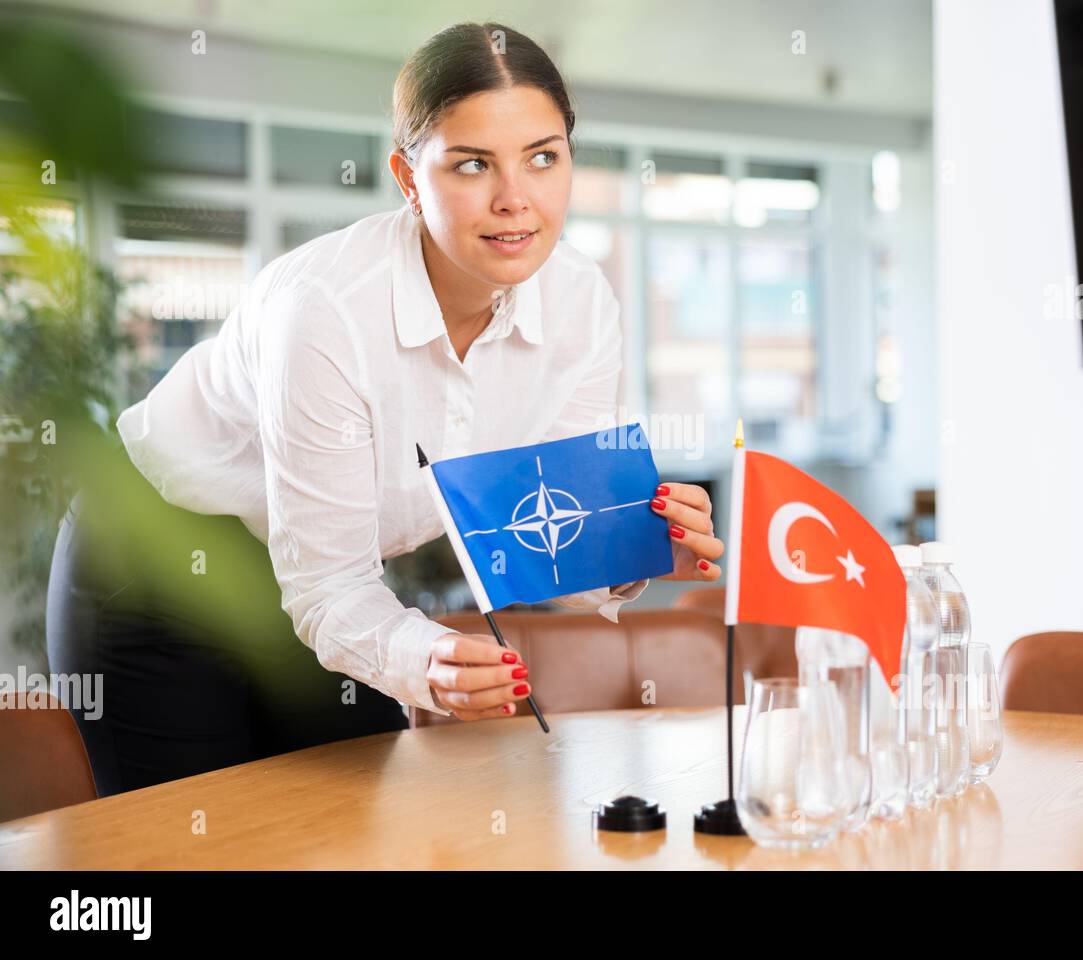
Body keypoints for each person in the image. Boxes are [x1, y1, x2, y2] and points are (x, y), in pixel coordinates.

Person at [46, 21, 724, 798]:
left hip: (327, 569)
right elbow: (326, 588)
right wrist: (423, 659)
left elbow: (550, 531)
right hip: (157, 563)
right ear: (408, 177)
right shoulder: (326, 310)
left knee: (362, 821)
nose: (516, 199)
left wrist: (636, 552)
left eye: (543, 156)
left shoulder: (582, 306)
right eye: (473, 164)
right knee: (199, 836)